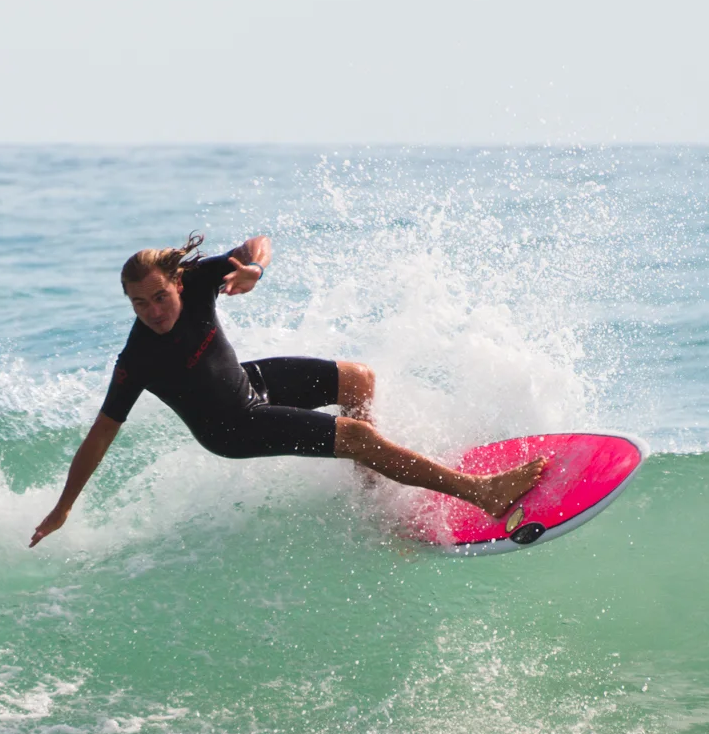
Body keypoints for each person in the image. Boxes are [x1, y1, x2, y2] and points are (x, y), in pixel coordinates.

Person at [29, 233, 545, 548]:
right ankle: (485, 494)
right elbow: (100, 435)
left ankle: (369, 489)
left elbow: (260, 242)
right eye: (139, 304)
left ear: (177, 283)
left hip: (247, 382)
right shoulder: (137, 358)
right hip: (229, 427)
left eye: (159, 297)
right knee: (358, 435)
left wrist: (254, 269)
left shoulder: (203, 277)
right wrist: (65, 506)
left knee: (359, 379)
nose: (153, 312)